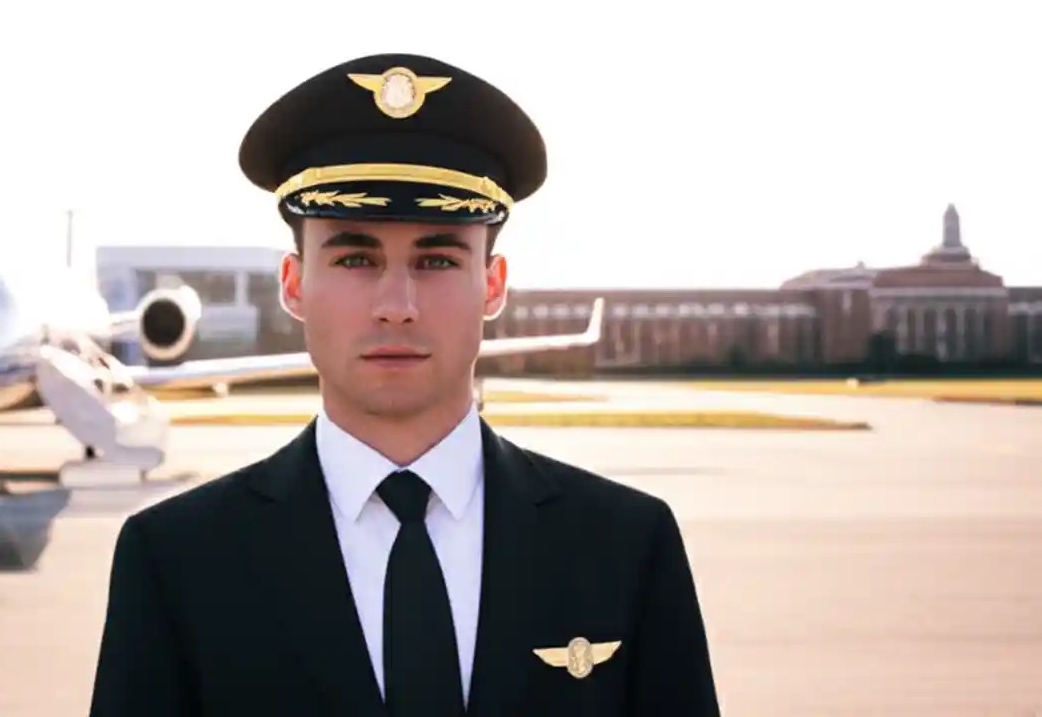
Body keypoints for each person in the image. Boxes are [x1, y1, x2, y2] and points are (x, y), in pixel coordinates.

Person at [88, 53, 720, 716]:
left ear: (493, 285)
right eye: (356, 257)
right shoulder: (178, 564)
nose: (397, 303)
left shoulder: (624, 548)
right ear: (295, 285)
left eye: (438, 259)